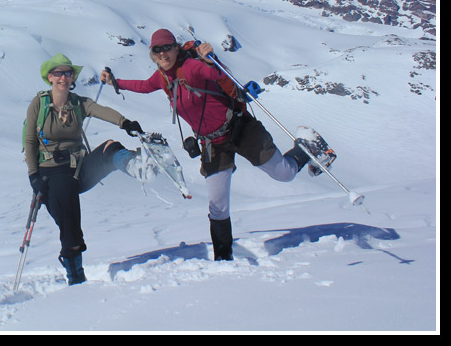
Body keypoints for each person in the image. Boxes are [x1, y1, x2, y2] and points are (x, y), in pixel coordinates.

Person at [100, 29, 330, 262]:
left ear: (175, 47)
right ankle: (223, 258)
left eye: (167, 47)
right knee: (217, 205)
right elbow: (142, 86)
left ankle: (305, 147)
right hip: (213, 143)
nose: (162, 53)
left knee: (284, 173)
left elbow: (213, 72)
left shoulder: (190, 67)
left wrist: (210, 56)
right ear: (152, 54)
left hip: (240, 129)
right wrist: (114, 82)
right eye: (157, 50)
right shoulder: (161, 77)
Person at [24, 53, 155, 285]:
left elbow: (101, 110)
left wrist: (125, 123)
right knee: (69, 224)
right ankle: (76, 277)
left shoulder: (78, 103)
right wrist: (34, 176)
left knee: (110, 149)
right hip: (50, 174)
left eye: (67, 72)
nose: (63, 77)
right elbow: (30, 141)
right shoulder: (39, 103)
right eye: (58, 73)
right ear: (50, 78)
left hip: (78, 170)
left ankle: (134, 165)